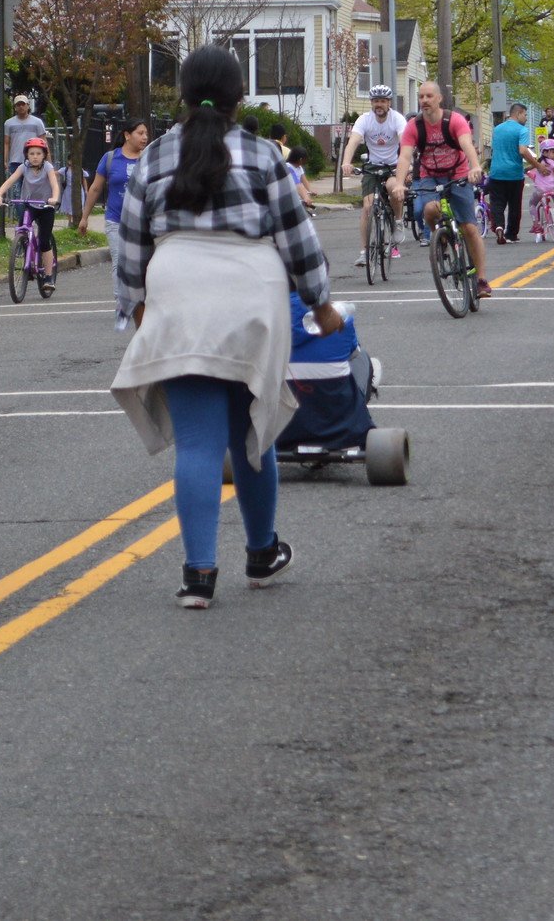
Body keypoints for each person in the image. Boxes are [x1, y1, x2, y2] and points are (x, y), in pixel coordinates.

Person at [110, 45, 336, 610]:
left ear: (181, 96)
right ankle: (261, 553)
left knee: (199, 442)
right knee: (251, 435)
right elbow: (295, 236)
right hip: (250, 295)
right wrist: (322, 303)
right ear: (240, 97)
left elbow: (130, 246)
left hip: (178, 290)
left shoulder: (154, 156)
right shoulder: (263, 154)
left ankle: (198, 576)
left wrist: (137, 310)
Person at [394, 81, 491, 299]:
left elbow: (466, 144)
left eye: (429, 96)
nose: (424, 100)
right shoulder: (414, 126)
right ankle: (442, 239)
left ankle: (481, 280)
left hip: (457, 174)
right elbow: (405, 156)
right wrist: (399, 183)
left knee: (469, 228)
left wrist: (474, 167)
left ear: (439, 99)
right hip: (430, 175)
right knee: (427, 209)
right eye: (421, 97)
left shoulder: (453, 120)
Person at [78, 118, 152, 321]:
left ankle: (145, 302)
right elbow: (95, 188)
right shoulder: (111, 158)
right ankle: (122, 302)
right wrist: (84, 217)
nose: (145, 137)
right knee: (120, 262)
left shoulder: (149, 159)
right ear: (127, 135)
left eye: (146, 133)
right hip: (116, 220)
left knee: (146, 264)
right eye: (140, 133)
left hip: (144, 223)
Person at [342, 85, 408, 265]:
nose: (379, 105)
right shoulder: (365, 120)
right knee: (367, 208)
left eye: (383, 101)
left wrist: (407, 166)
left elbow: (405, 144)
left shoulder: (397, 119)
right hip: (372, 167)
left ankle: (398, 220)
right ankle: (363, 252)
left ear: (389, 103)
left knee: (393, 188)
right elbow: (353, 141)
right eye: (376, 101)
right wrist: (346, 162)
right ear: (371, 103)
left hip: (393, 166)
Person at [0, 136, 64, 294]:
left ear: (44, 155)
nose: (35, 156)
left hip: (46, 206)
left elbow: (54, 185)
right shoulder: (23, 167)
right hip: (29, 204)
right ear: (27, 155)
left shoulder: (48, 168)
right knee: (22, 229)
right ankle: (25, 252)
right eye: (31, 153)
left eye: (38, 153)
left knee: (44, 241)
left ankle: (48, 277)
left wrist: (54, 198)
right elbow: (9, 181)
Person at [484, 101, 537, 244]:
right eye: (525, 115)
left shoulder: (497, 129)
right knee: (514, 204)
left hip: (496, 172)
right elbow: (523, 150)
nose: (525, 118)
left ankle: (499, 226)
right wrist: (537, 165)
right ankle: (511, 234)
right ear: (518, 114)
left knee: (497, 203)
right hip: (514, 173)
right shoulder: (522, 130)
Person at [2, 95, 48, 169]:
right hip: (15, 161)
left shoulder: (37, 122)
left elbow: (44, 142)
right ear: (15, 107)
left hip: (34, 160)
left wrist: (47, 161)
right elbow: (6, 143)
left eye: (23, 104)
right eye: (18, 105)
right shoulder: (8, 123)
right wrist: (4, 160)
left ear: (28, 106)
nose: (21, 107)